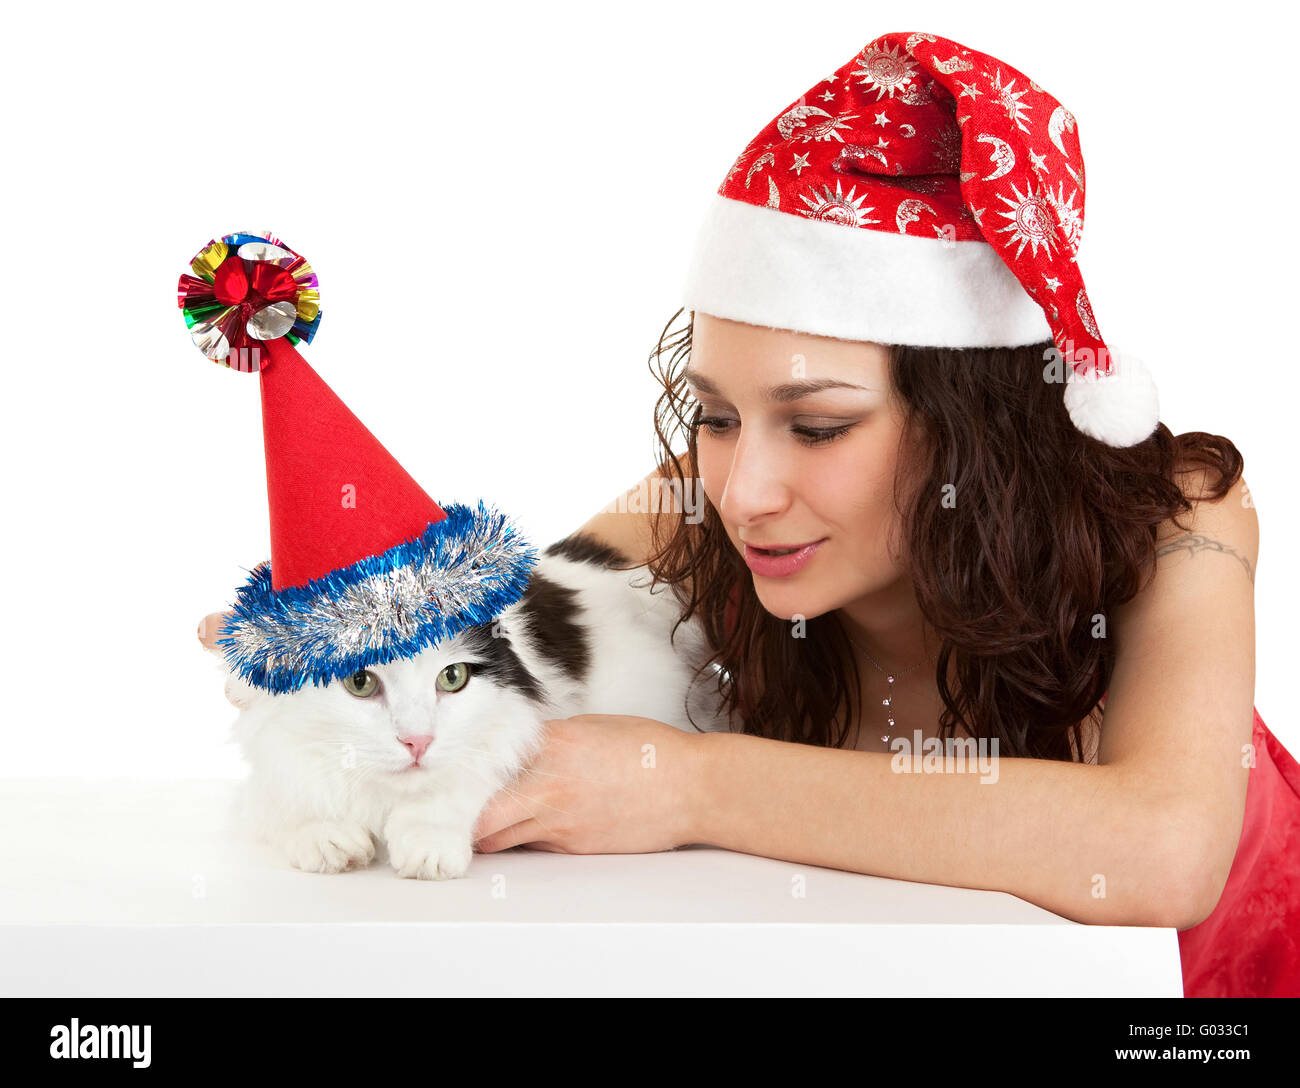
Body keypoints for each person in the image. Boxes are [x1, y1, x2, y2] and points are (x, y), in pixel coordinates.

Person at [467, 32, 1300, 998]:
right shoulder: (704, 500)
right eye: (718, 417)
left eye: (818, 425)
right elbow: (481, 635)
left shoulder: (1179, 516)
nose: (743, 495)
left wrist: (689, 783)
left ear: (975, 428)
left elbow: (1162, 851)